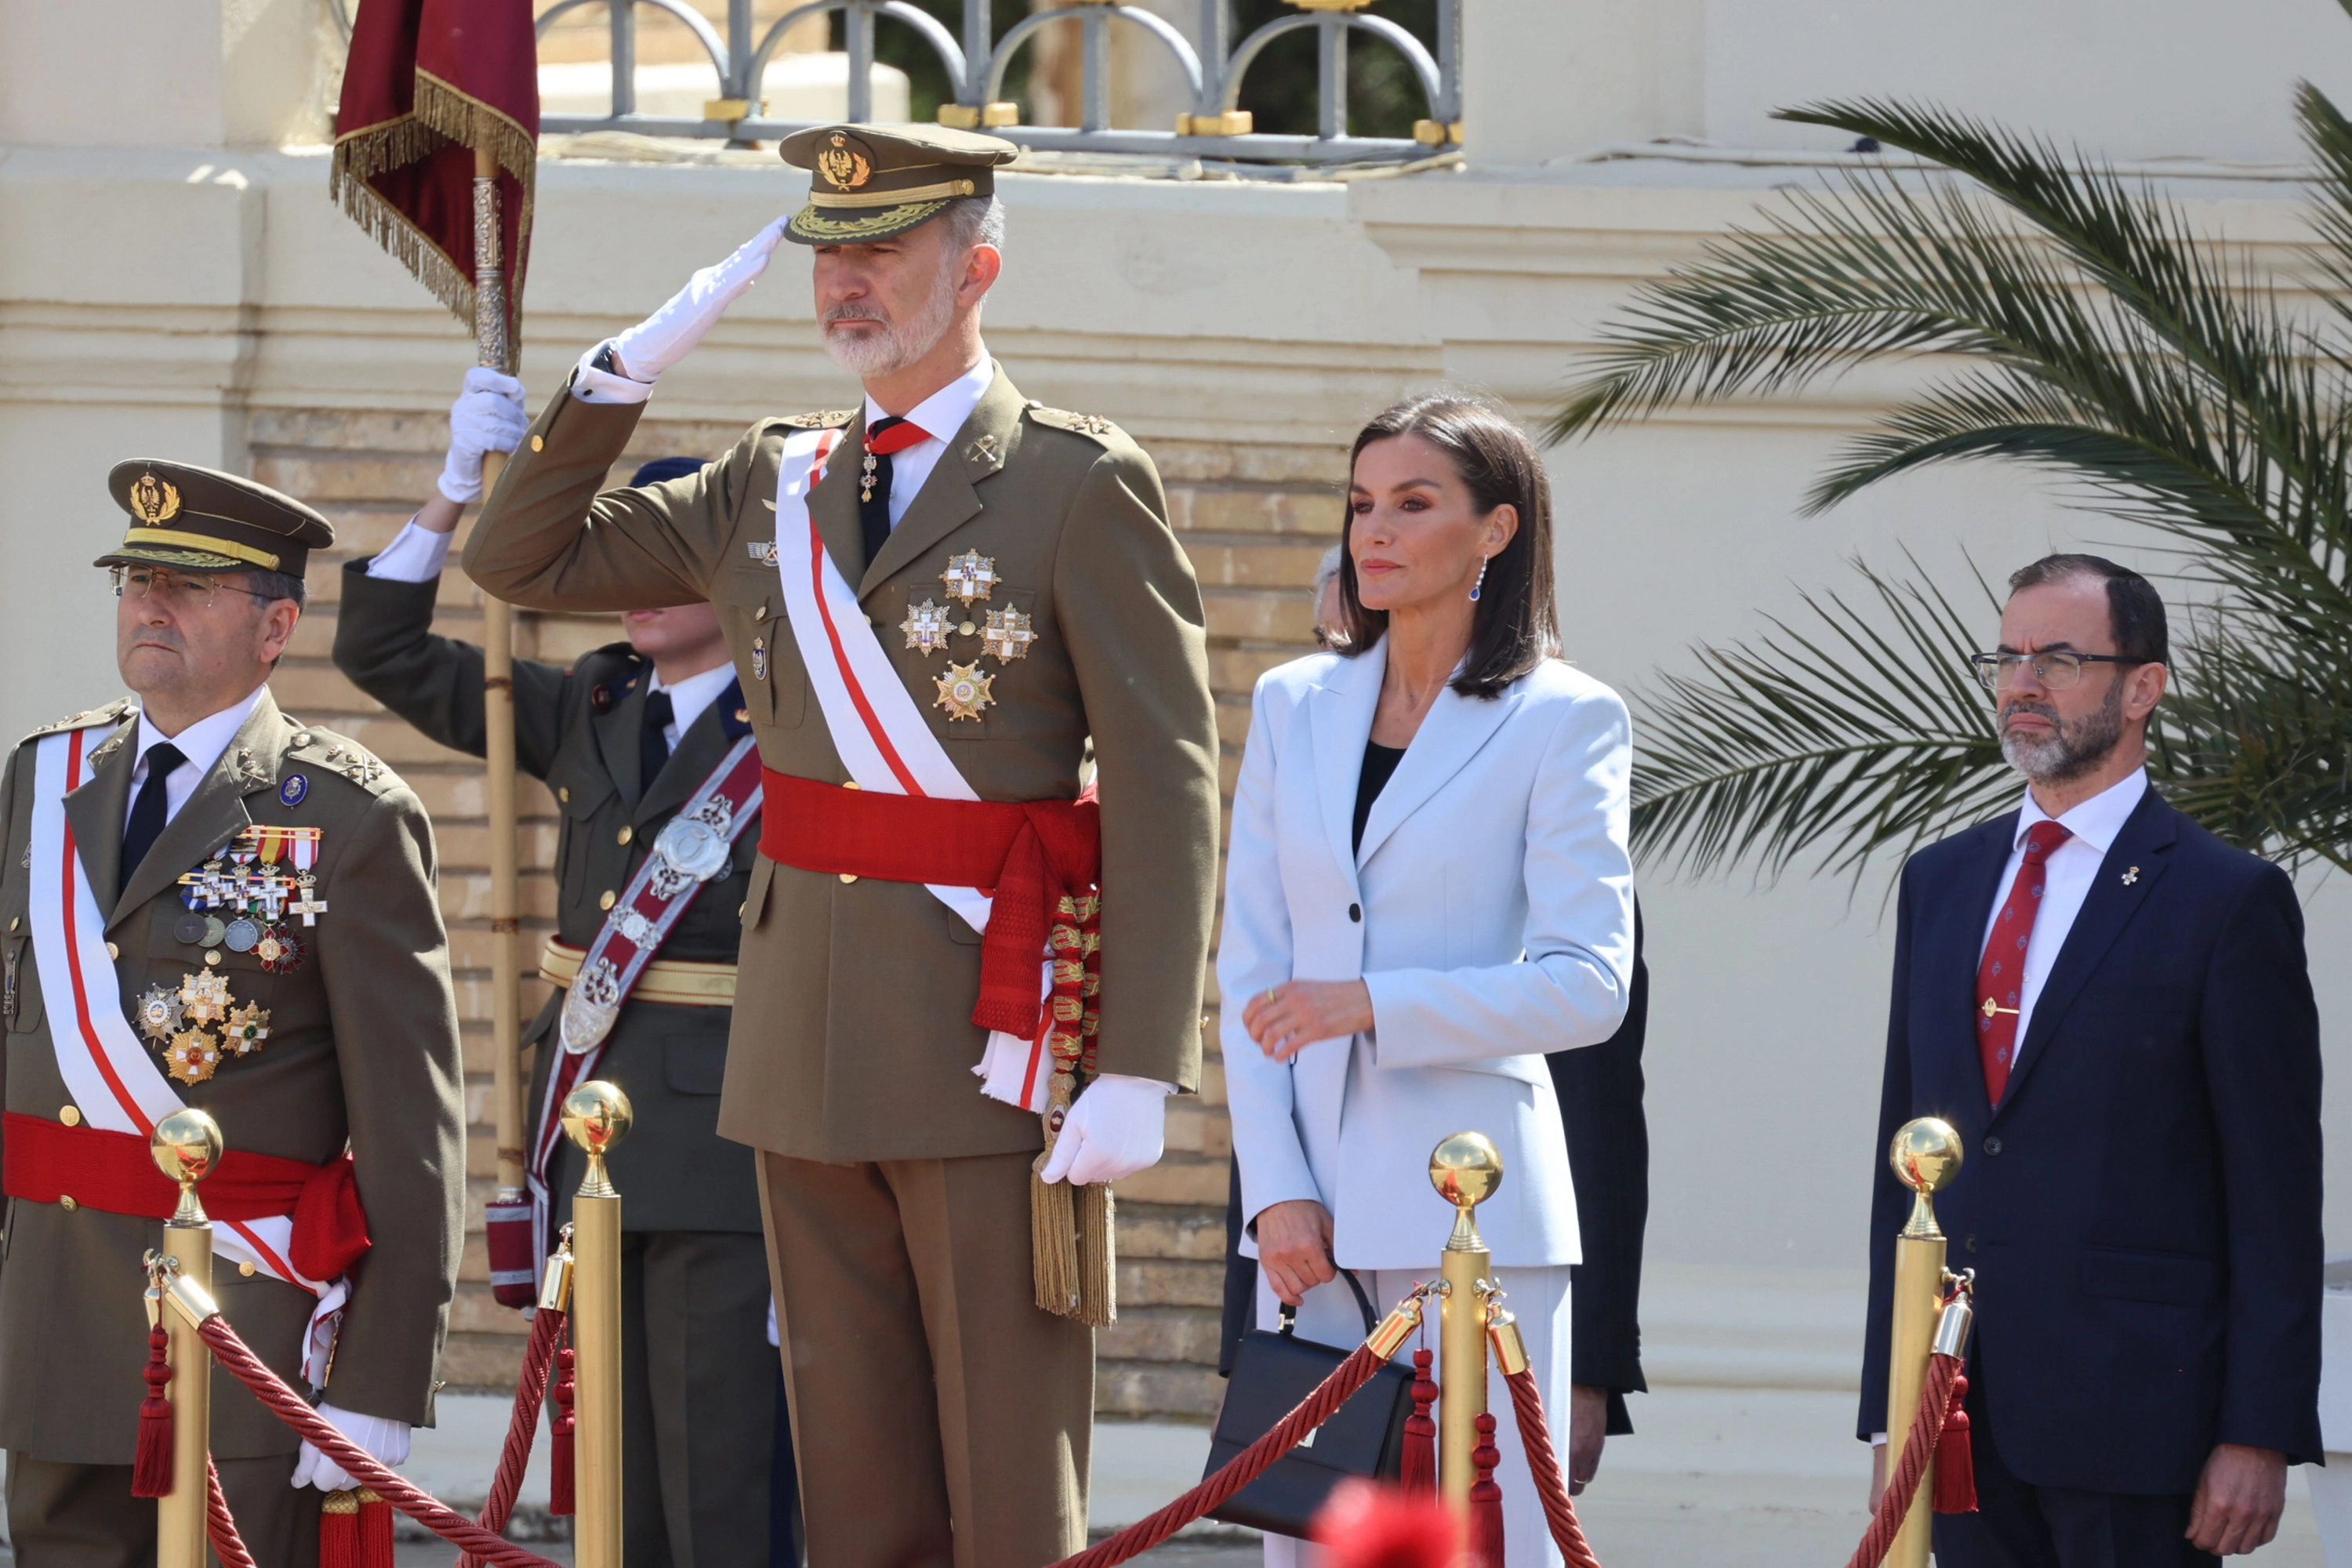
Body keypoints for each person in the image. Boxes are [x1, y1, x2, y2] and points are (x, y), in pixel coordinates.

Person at [462, 124, 1221, 1566]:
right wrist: (623, 373)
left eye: (883, 251)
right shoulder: (770, 479)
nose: (846, 284)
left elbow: (1164, 774)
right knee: (853, 1479)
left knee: (1006, 1476)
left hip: (990, 1032)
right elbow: (520, 560)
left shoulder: (1074, 480)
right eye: (829, 255)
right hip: (797, 1033)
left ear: (976, 263)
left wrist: (1138, 1058)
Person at [331, 376, 791, 1567]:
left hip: (720, 1140)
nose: (625, 589)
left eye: (657, 563)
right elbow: (379, 648)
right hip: (585, 1133)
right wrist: (448, 493)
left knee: (722, 1475)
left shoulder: (795, 717)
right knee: (614, 1481)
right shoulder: (593, 696)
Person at [0, 462, 465, 1565]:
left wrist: (380, 1380)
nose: (149, 604)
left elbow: (413, 1130)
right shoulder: (43, 776)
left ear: (277, 627)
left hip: (240, 1329)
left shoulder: (346, 814)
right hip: (55, 1316)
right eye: (135, 579)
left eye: (188, 584)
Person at [1220, 395, 1636, 1566]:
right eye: (1362, 505)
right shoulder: (1294, 704)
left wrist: (1375, 1004)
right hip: (1308, 1224)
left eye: (1413, 504)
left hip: (1479, 1220)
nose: (1374, 533)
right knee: (1310, 1547)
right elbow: (1249, 965)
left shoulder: (1569, 718)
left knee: (1483, 1546)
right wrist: (1274, 1193)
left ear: (1496, 531)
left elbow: (1588, 983)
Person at [1860, 554, 2322, 1566]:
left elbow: (2274, 1190)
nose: (2022, 683)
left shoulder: (2225, 899)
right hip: (1955, 1405)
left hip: (2143, 1421)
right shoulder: (1941, 880)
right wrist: (1891, 1401)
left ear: (2143, 686)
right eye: (2009, 657)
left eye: (2060, 659)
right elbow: (1910, 1153)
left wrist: (2260, 1429)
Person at [1548, 903, 1649, 1494]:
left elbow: (1598, 1127)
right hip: (1325, 1293)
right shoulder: (1309, 809)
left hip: (1506, 1316)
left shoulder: (1565, 847)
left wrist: (1586, 1370)